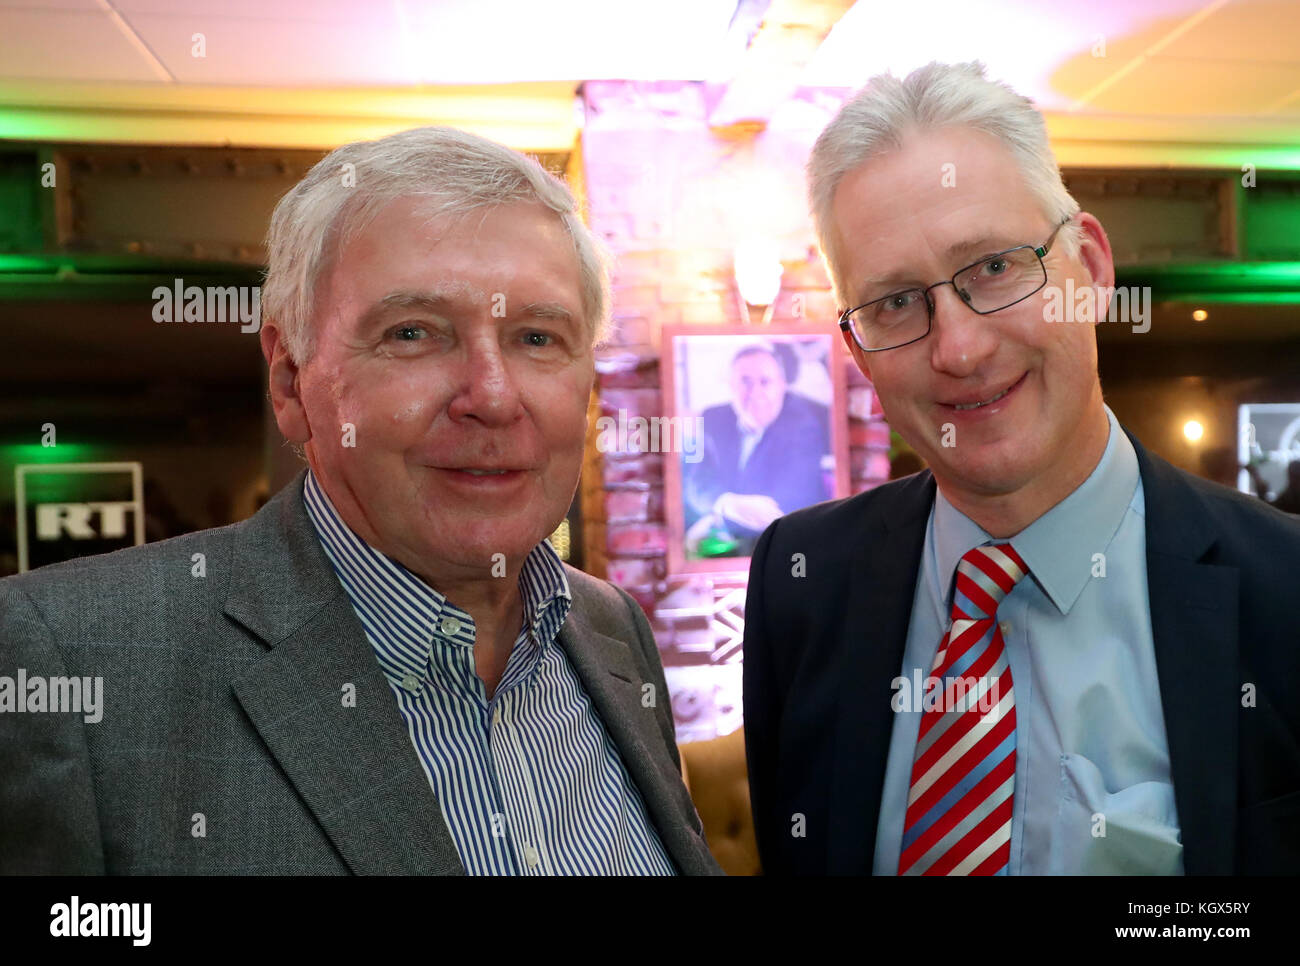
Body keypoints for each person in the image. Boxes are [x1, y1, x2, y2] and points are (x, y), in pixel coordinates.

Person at [0, 127, 720, 876]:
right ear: (289, 383)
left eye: (537, 338)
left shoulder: (611, 631)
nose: (495, 397)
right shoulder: (71, 664)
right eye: (413, 333)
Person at [743, 61, 1300, 875]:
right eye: (896, 301)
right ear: (858, 352)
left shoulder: (1283, 589)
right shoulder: (802, 581)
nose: (959, 348)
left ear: (1093, 268)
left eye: (995, 268)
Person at [684, 343, 832, 558]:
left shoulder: (804, 424)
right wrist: (726, 503)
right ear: (731, 385)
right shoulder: (711, 418)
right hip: (725, 535)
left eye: (765, 382)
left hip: (789, 544)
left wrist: (725, 513)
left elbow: (792, 496)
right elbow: (695, 482)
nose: (755, 392)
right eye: (745, 381)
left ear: (782, 385)